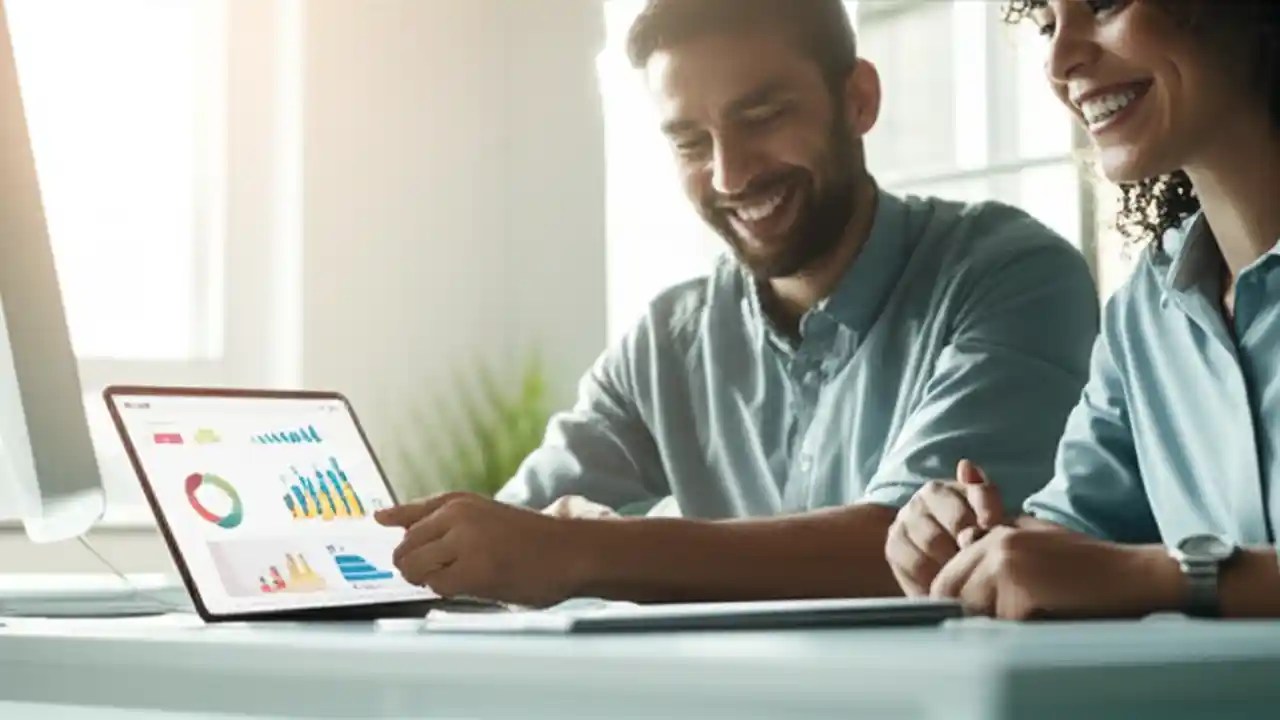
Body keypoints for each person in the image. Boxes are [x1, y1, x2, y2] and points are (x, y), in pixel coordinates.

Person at [374, 0, 1098, 608]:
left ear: (858, 100)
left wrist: (579, 550)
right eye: (691, 141)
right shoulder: (668, 341)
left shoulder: (1013, 278)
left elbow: (909, 553)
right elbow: (504, 538)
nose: (730, 172)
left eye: (762, 115)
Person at [886, 0, 1280, 620]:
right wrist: (969, 549)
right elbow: (1072, 544)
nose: (1061, 58)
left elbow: (1125, 574)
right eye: (1046, 24)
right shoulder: (1142, 320)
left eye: (1103, 4)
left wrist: (1172, 577)